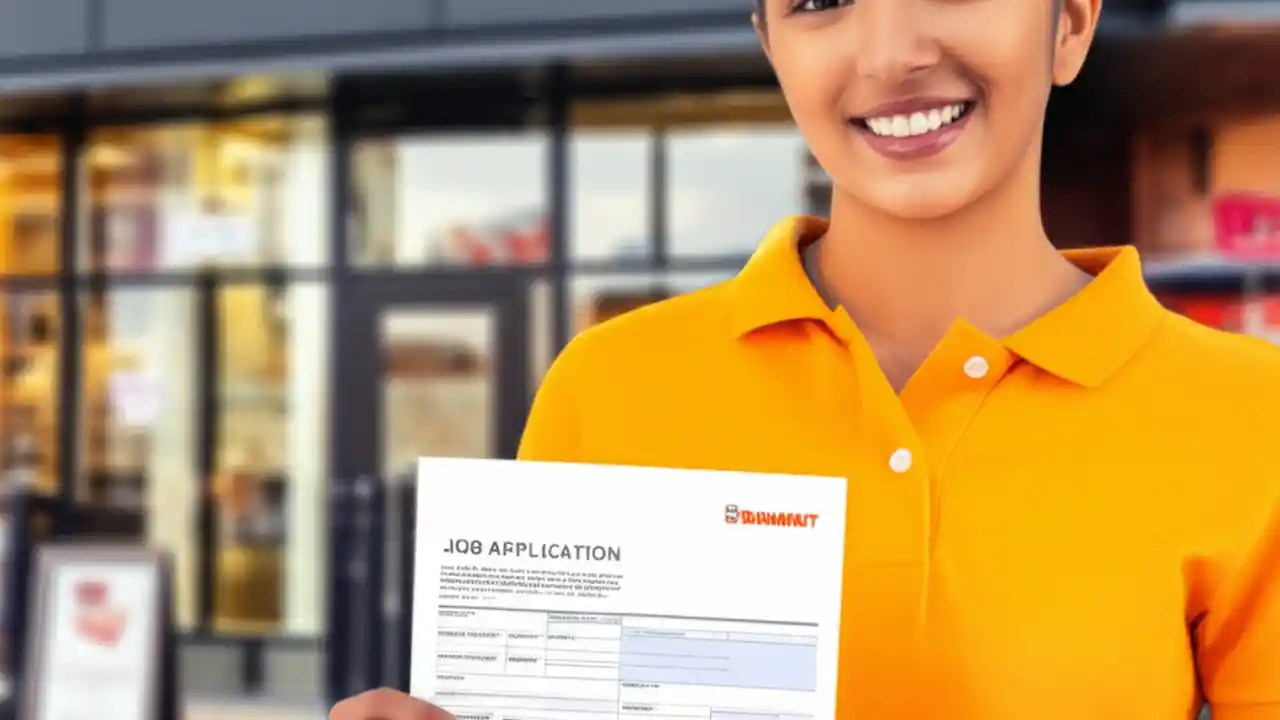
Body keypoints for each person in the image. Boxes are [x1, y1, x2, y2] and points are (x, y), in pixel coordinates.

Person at [332, 0, 1280, 717]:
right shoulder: (613, 384)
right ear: (770, 44)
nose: (893, 53)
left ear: (1068, 23)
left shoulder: (1247, 416)